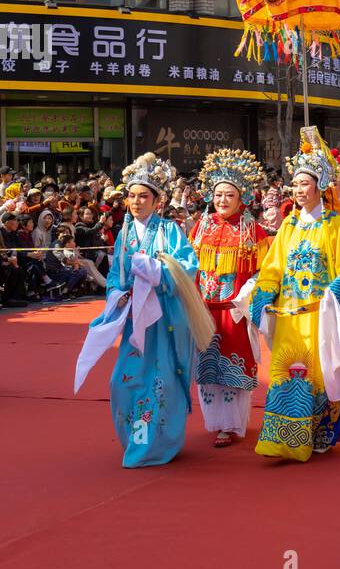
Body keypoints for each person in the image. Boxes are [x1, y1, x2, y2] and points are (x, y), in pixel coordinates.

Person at [247, 130, 340, 461]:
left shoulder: (335, 225)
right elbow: (273, 267)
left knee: (321, 374)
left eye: (305, 184)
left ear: (320, 187)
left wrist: (336, 292)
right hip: (290, 317)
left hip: (321, 316)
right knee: (287, 372)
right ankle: (284, 438)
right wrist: (264, 294)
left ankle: (322, 432)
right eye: (296, 184)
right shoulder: (289, 225)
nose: (298, 190)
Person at [74, 153, 202, 468]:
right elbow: (117, 275)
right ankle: (137, 438)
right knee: (121, 381)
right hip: (134, 321)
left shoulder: (169, 231)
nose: (135, 202)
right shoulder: (124, 234)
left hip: (163, 321)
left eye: (143, 196)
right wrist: (117, 292)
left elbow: (188, 267)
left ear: (157, 200)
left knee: (160, 381)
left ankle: (156, 444)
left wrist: (157, 273)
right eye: (132, 196)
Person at [188, 148, 270, 446]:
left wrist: (247, 296)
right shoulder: (200, 227)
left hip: (234, 311)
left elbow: (264, 271)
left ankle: (232, 424)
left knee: (233, 366)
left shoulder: (252, 230)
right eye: (218, 194)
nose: (222, 200)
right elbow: (190, 268)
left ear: (241, 198)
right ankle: (216, 421)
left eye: (229, 195)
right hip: (205, 311)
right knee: (208, 367)